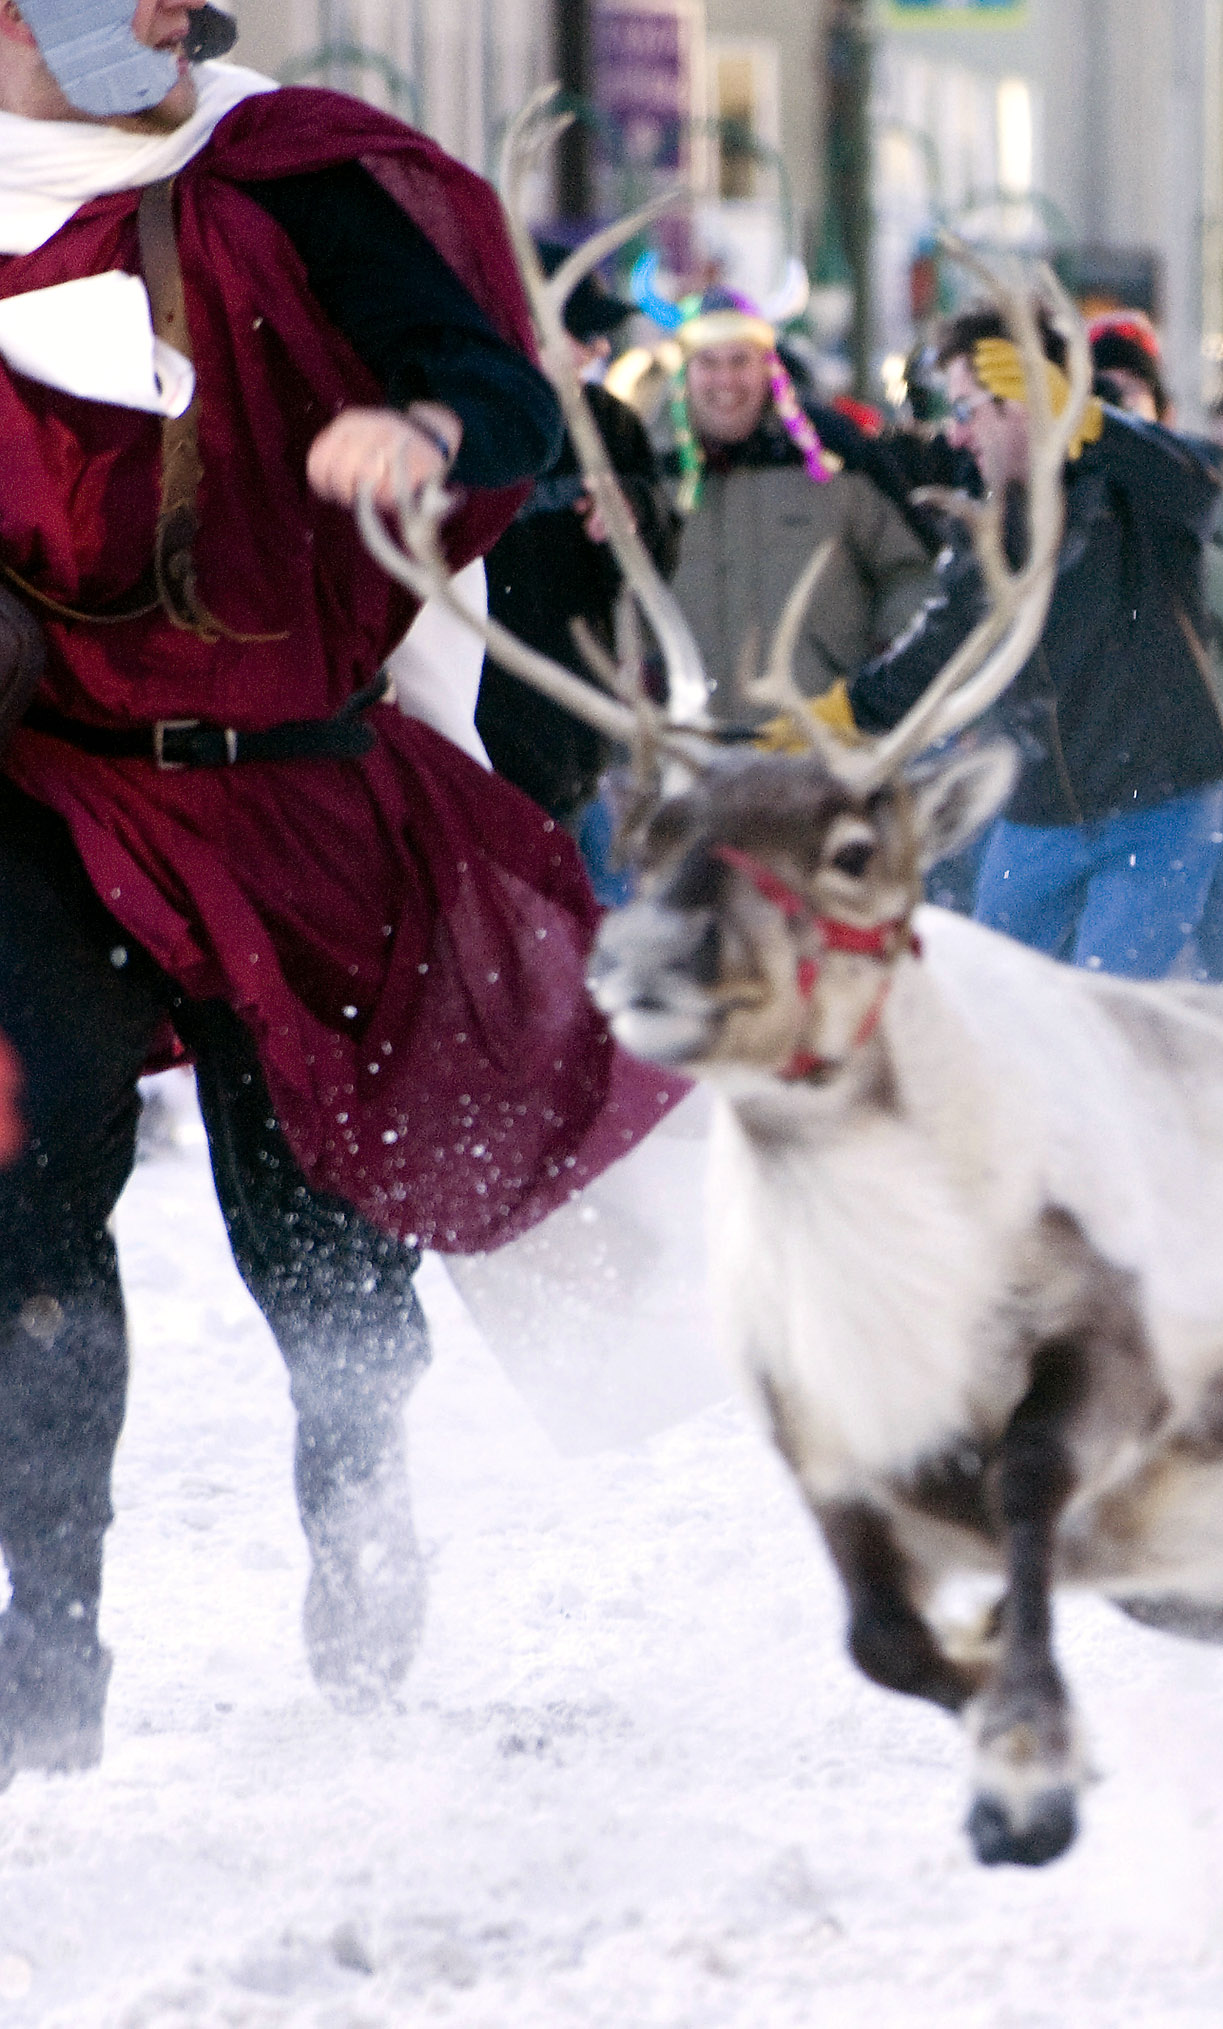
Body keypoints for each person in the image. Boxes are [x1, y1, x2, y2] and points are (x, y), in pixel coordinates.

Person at [0, 13, 682, 1785]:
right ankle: (42, 1641)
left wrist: (427, 420)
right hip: (53, 785)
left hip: (290, 780)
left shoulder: (282, 171)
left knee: (311, 1245)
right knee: (29, 1173)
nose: (158, 29)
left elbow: (504, 388)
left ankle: (362, 1516)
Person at [851, 306, 1223, 978]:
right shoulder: (988, 515)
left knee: (1100, 1008)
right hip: (1040, 813)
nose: (958, 434)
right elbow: (940, 646)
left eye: (967, 410)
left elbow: (1200, 483)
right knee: (983, 995)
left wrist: (1085, 416)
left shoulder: (1128, 478)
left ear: (1023, 401)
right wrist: (838, 713)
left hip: (1157, 805)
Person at [1082, 315, 1223, 995]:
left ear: (1161, 407)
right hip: (1100, 759)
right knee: (1114, 964)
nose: (1116, 408)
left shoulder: (1222, 493)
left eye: (1130, 393)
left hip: (1217, 746)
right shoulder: (1061, 494)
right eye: (1100, 394)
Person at [661, 291, 935, 730]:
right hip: (691, 743)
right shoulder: (648, 473)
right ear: (686, 372)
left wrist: (883, 670)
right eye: (708, 363)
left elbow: (908, 572)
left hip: (821, 737)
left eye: (740, 361)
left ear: (767, 367)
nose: (725, 380)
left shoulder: (832, 460)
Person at [476, 248, 676, 823]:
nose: (601, 349)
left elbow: (657, 567)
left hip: (580, 745)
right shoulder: (466, 424)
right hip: (475, 741)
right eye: (583, 333)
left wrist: (637, 513)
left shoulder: (611, 424)